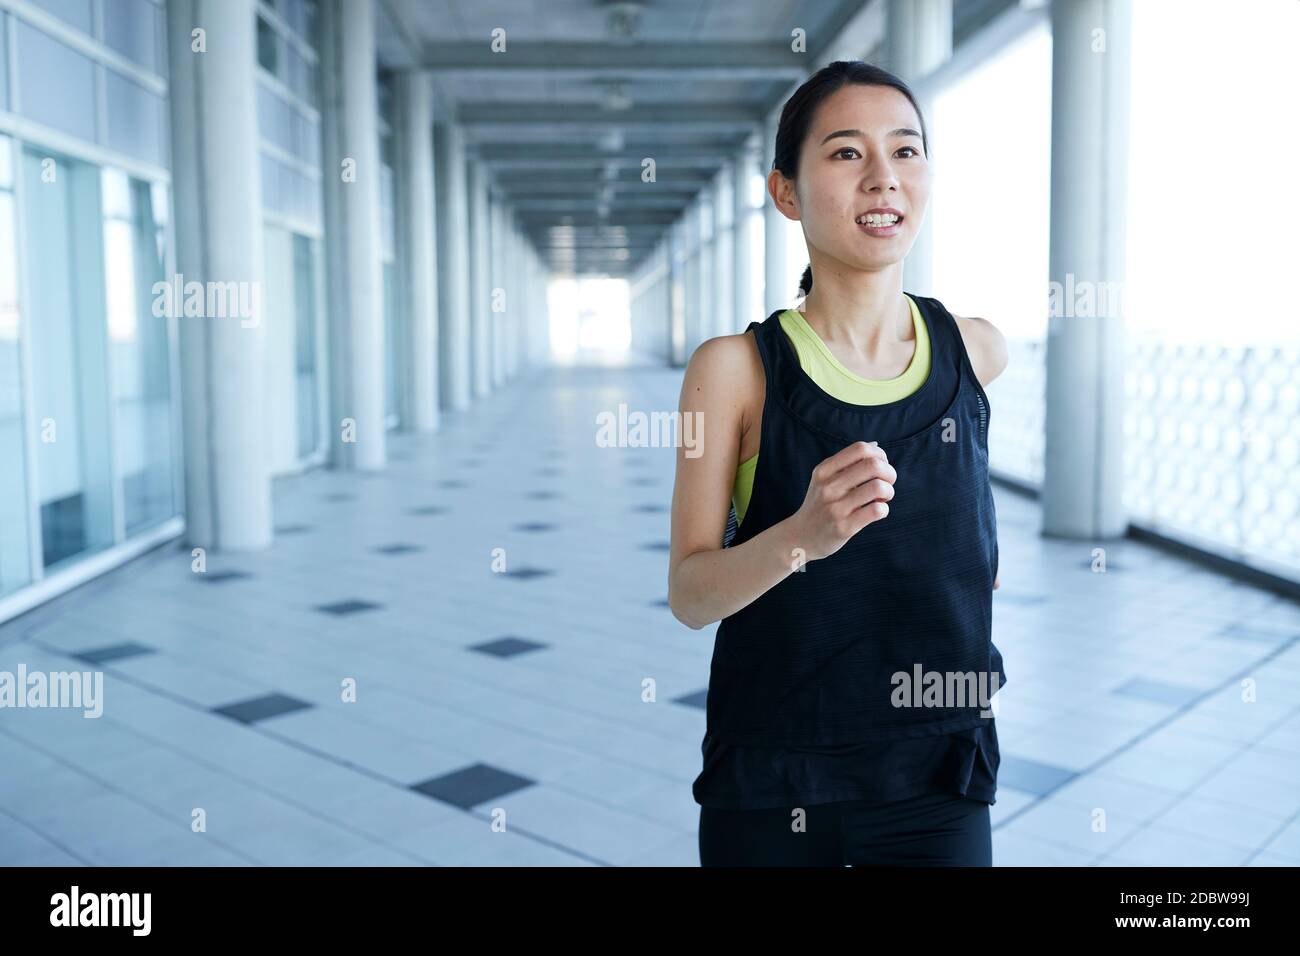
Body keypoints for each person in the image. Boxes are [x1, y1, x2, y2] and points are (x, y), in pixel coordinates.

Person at [667, 60, 1010, 867]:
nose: (884, 178)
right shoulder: (734, 372)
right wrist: (803, 536)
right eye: (847, 154)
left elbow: (968, 553)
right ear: (786, 192)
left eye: (907, 151)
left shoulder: (977, 350)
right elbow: (689, 594)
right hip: (777, 776)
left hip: (940, 769)